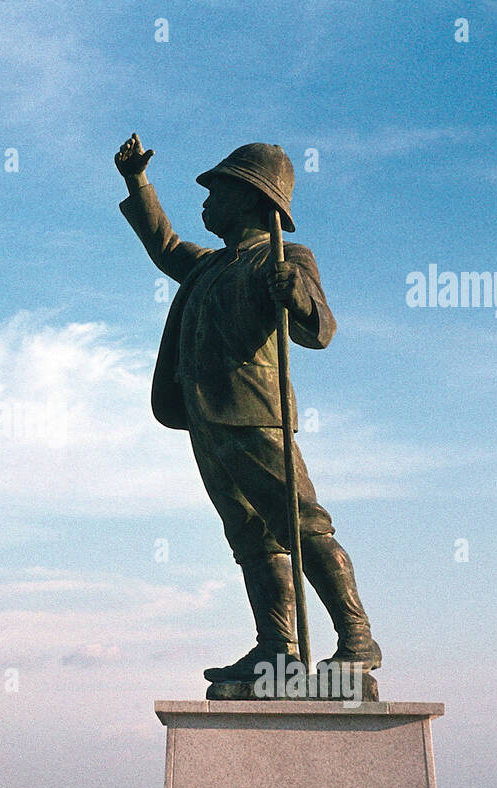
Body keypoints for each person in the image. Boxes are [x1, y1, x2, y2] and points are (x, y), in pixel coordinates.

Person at [115, 133, 381, 683]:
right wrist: (137, 182)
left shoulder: (284, 257)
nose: (206, 201)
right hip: (205, 419)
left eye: (218, 191)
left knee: (304, 527)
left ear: (252, 197)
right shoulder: (208, 265)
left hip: (258, 415)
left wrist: (297, 294)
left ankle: (357, 639)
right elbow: (165, 245)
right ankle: (277, 650)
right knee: (250, 539)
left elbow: (320, 330)